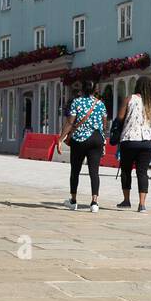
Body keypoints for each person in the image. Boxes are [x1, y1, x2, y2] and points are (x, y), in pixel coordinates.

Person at [58, 81, 107, 212]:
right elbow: (104, 124)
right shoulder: (100, 104)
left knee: (75, 170)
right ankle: (94, 203)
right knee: (94, 172)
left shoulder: (76, 102)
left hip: (79, 140)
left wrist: (60, 138)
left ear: (82, 89)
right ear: (95, 90)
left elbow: (70, 122)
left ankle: (73, 201)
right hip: (96, 139)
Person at [115, 77, 151, 213]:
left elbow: (120, 117)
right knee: (142, 172)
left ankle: (126, 200)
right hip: (149, 141)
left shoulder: (130, 99)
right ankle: (142, 204)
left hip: (129, 140)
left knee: (126, 170)